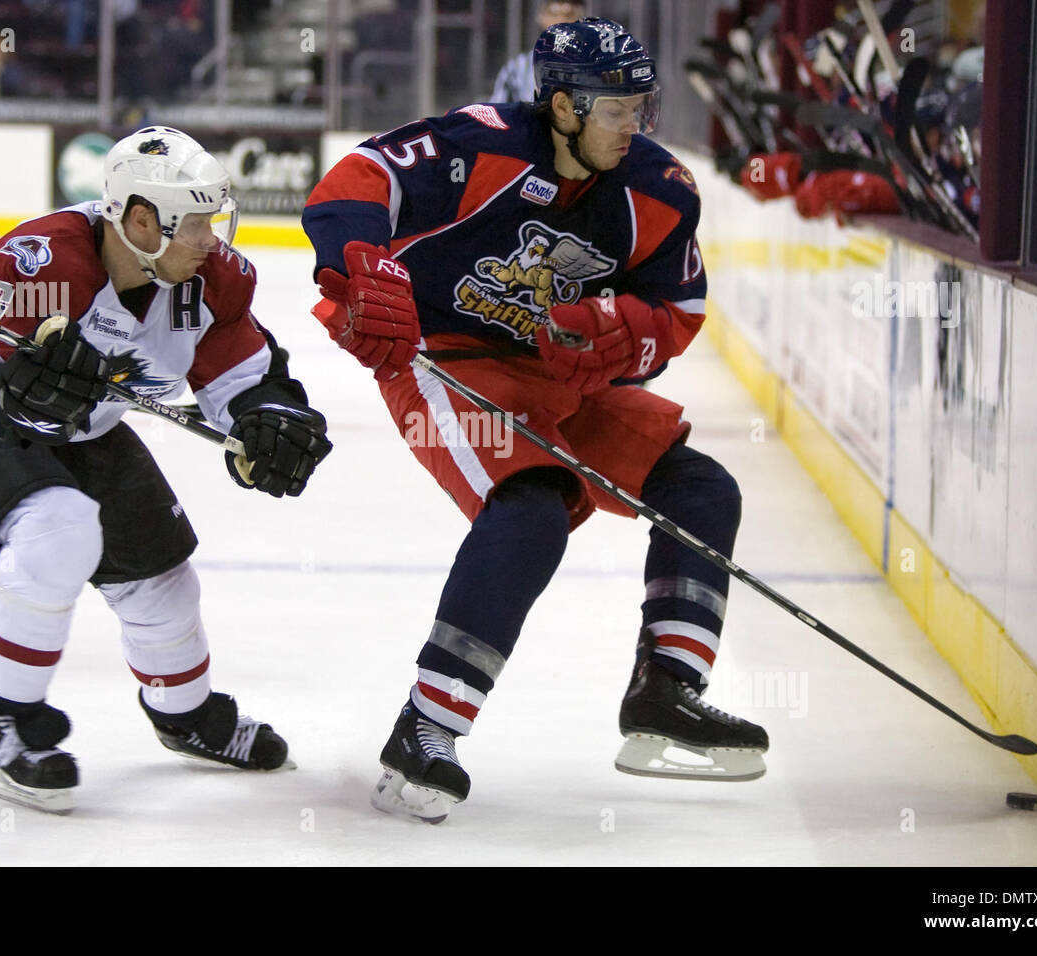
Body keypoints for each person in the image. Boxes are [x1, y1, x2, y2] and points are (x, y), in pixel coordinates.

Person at [303, 18, 768, 823]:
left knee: (702, 492)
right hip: (442, 360)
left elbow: (679, 306)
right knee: (530, 511)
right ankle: (426, 727)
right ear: (561, 105)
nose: (635, 126)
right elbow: (356, 180)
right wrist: (364, 265)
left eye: (641, 108)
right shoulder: (478, 146)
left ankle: (667, 688)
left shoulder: (660, 191)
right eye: (616, 110)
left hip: (555, 374)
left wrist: (625, 335)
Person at [0, 126, 332, 814]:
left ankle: (185, 714)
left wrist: (270, 420)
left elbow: (245, 379)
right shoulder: (43, 260)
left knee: (162, 574)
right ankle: (2, 723)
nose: (211, 239)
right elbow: (4, 390)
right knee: (59, 530)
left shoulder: (210, 282)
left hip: (86, 421)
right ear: (139, 220)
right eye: (195, 224)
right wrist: (39, 392)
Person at [490, 1, 587, 103]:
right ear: (541, 17)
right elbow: (496, 114)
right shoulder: (517, 69)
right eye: (554, 12)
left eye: (569, 14)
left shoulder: (596, 69)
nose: (561, 21)